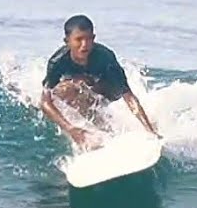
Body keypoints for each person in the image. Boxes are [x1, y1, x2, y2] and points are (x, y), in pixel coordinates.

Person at [40, 15, 158, 148]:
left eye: (89, 39)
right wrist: (71, 129)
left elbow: (128, 96)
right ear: (67, 41)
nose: (85, 45)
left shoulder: (105, 56)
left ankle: (108, 131)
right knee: (66, 89)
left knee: (81, 86)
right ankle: (100, 131)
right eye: (79, 39)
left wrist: (150, 131)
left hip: (106, 89)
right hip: (81, 87)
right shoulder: (57, 62)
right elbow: (45, 102)